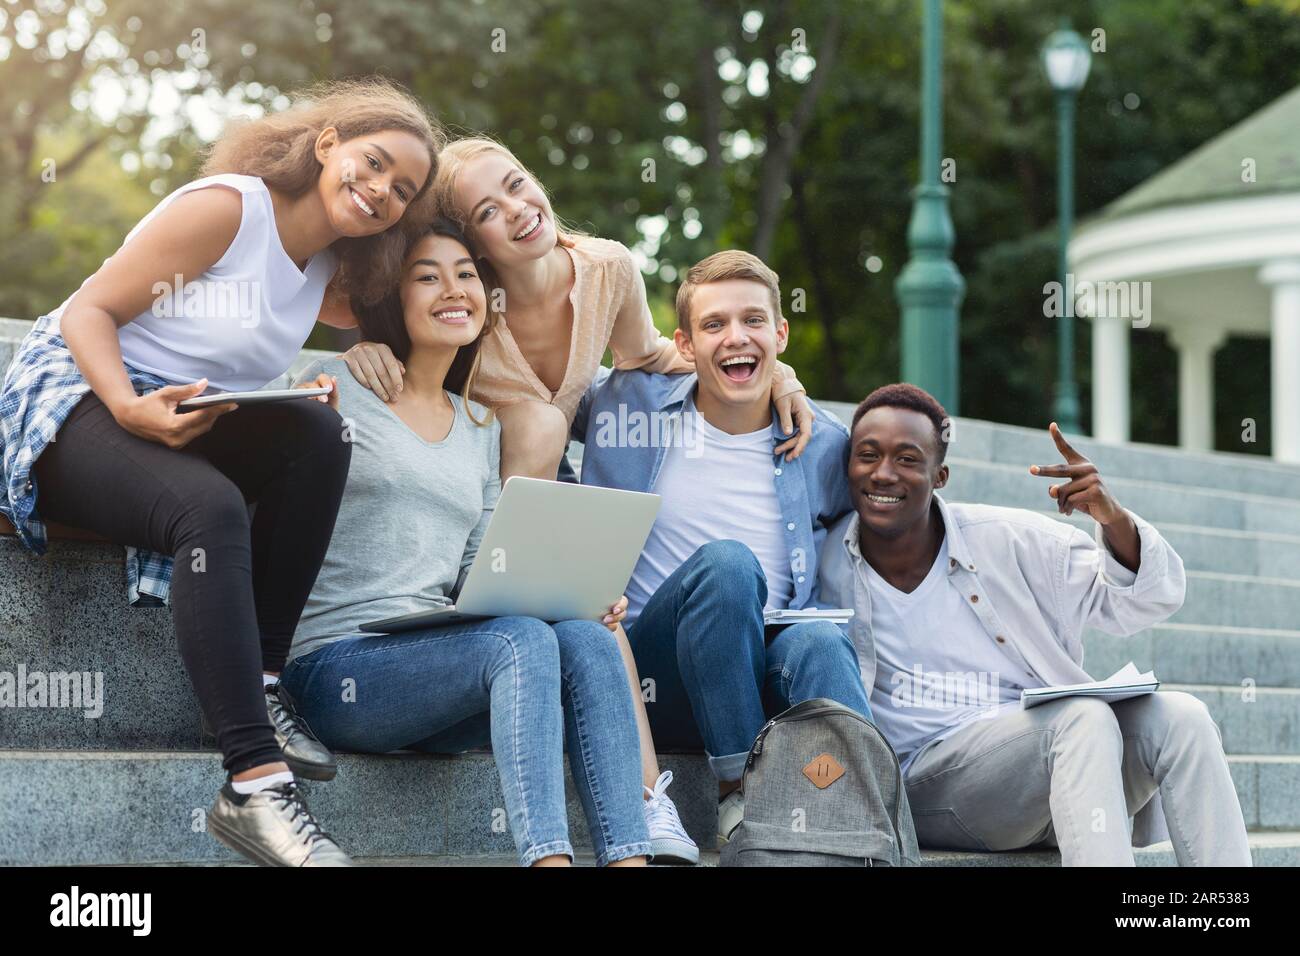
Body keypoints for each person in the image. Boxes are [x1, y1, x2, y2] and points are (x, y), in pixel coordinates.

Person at [0, 77, 443, 866]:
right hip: (76, 391)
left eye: (403, 190)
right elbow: (88, 311)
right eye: (373, 164)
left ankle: (263, 684)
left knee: (318, 430)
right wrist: (127, 408)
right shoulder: (230, 208)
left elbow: (439, 294)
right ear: (327, 143)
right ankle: (255, 786)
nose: (381, 192)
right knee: (210, 509)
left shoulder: (326, 270)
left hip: (176, 415)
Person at [283, 219, 649, 867]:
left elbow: (484, 571)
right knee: (521, 639)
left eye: (466, 274)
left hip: (434, 673)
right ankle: (549, 861)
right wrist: (344, 362)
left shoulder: (480, 428)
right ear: (391, 299)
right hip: (336, 672)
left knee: (587, 638)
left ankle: (630, 858)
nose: (454, 289)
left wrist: (573, 595)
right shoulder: (339, 386)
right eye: (426, 276)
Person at [817, 382, 1252, 866]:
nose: (883, 474)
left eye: (906, 459)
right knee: (1080, 717)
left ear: (940, 475)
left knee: (1183, 718)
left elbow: (1150, 598)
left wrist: (1113, 521)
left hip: (1056, 775)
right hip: (925, 789)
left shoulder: (1009, 541)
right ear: (847, 465)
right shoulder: (821, 560)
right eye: (868, 455)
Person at [572, 250, 873, 847]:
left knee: (819, 638)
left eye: (753, 321)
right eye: (714, 325)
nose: (736, 337)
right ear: (684, 344)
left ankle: (869, 832)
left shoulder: (823, 442)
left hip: (765, 669)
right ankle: (741, 791)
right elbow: (530, 385)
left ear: (780, 333)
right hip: (656, 673)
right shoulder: (628, 405)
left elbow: (895, 523)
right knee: (728, 564)